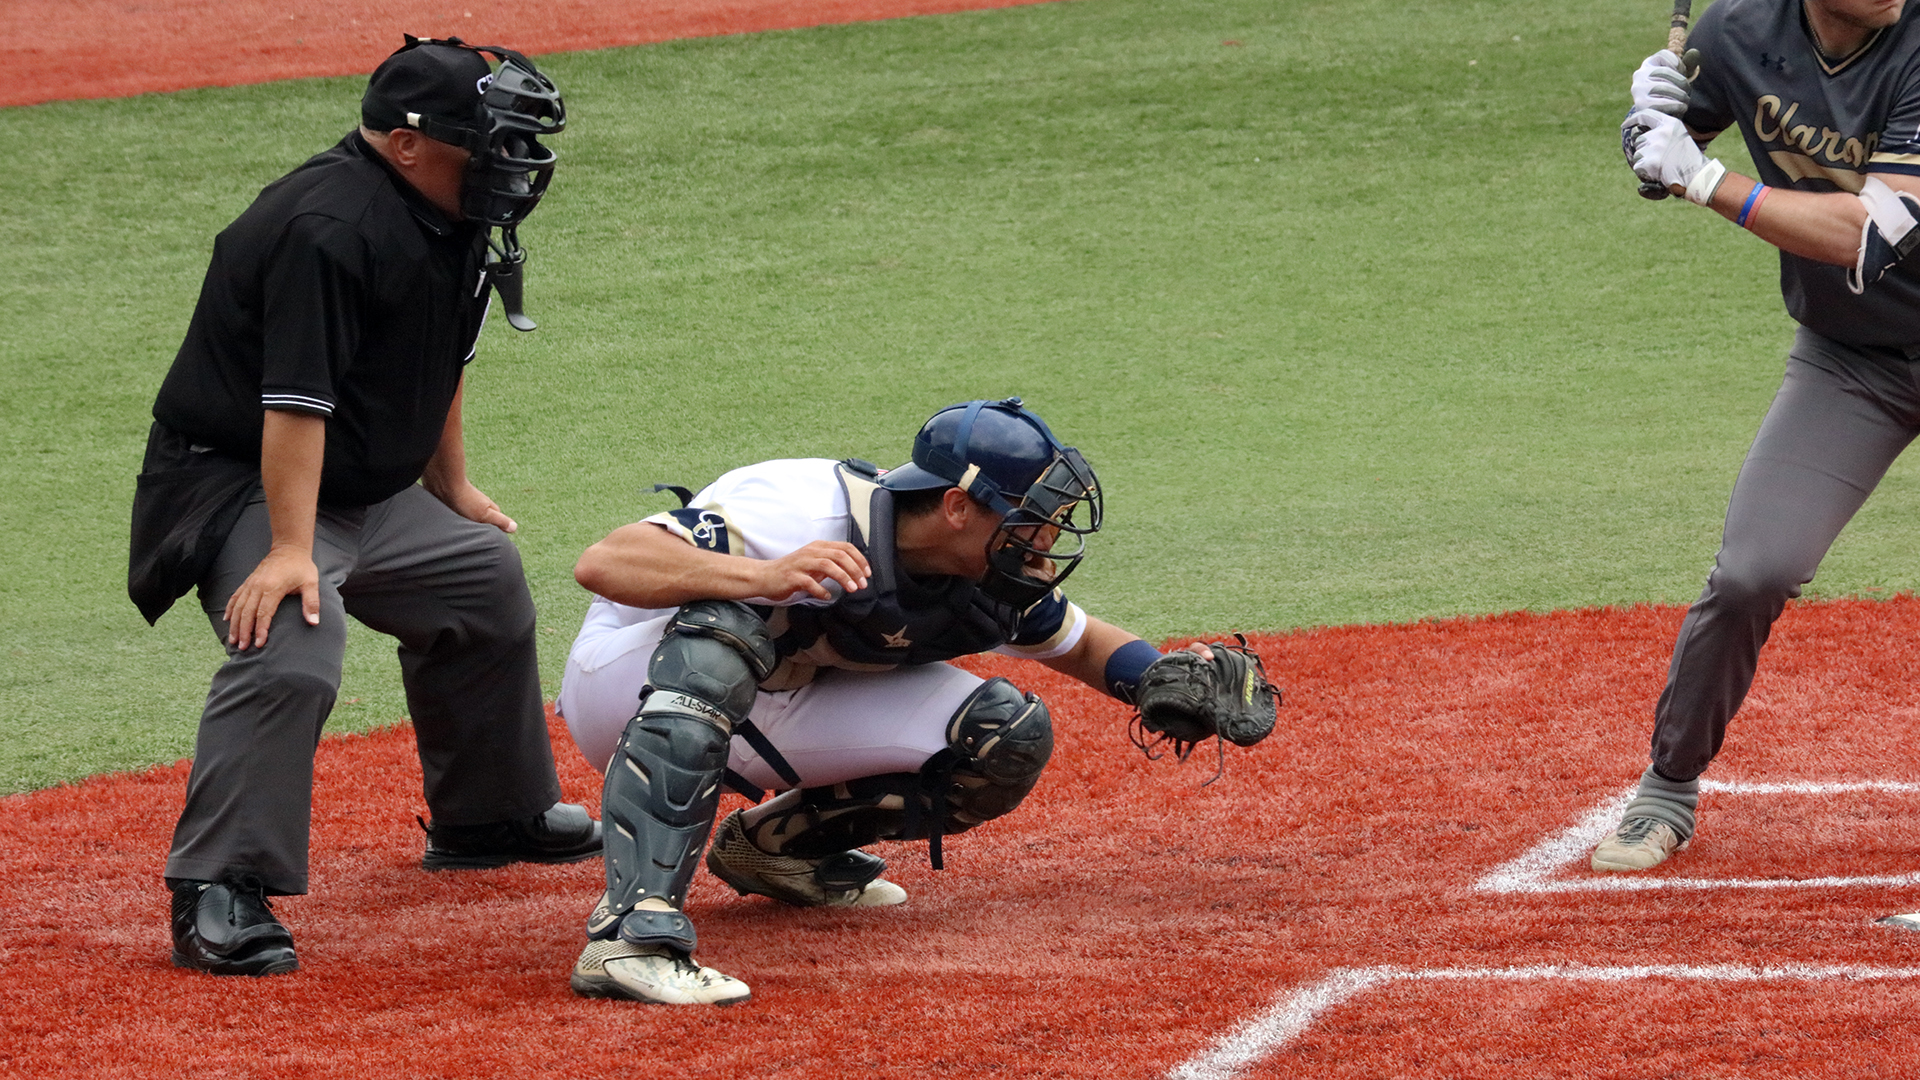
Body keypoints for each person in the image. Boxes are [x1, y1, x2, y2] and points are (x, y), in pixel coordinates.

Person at [127, 37, 599, 977]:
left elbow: (441, 363)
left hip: (361, 482)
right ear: (408, 145)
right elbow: (292, 405)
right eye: (489, 144)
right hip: (241, 478)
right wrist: (291, 548)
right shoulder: (327, 228)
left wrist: (450, 485)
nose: (509, 166)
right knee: (294, 636)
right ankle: (218, 884)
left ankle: (488, 814)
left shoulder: (451, 209)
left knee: (481, 581)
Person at [556, 398, 1271, 1005]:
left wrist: (1160, 680)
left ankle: (774, 853)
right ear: (959, 506)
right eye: (1034, 514)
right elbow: (606, 563)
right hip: (628, 687)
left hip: (772, 704)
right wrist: (764, 574)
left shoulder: (987, 571)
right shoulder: (801, 506)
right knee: (724, 630)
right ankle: (629, 934)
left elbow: (1080, 643)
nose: (1048, 537)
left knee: (1003, 734)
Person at [1602, 0, 1920, 871]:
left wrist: (1704, 179)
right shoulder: (1735, 36)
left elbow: (1870, 236)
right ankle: (1667, 785)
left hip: (1869, 294)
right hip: (1853, 359)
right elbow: (1659, 159)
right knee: (1753, 571)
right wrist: (1650, 123)